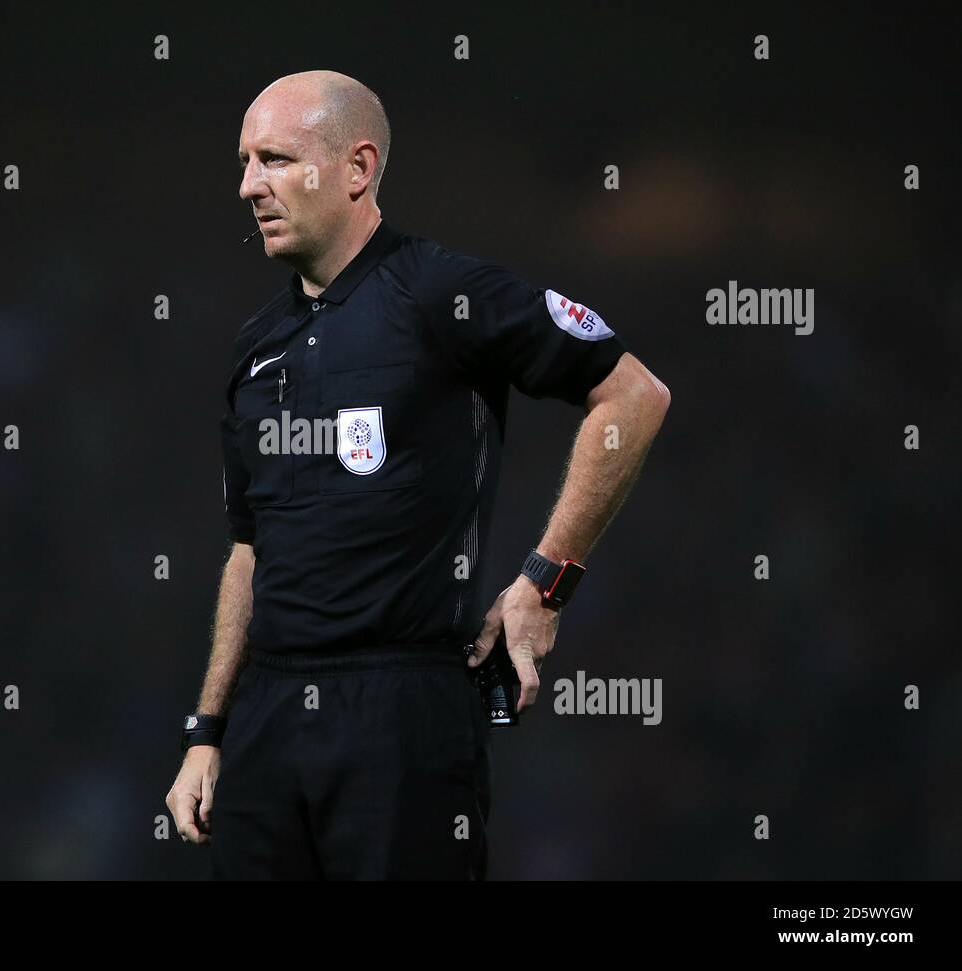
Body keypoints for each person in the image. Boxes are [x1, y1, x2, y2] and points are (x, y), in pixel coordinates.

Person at [165, 70, 671, 879]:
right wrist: (208, 731)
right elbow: (247, 551)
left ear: (358, 168)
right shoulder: (254, 347)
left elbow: (633, 393)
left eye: (274, 159)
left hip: (402, 711)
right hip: (267, 718)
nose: (247, 185)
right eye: (245, 161)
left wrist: (546, 580)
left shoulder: (444, 293)